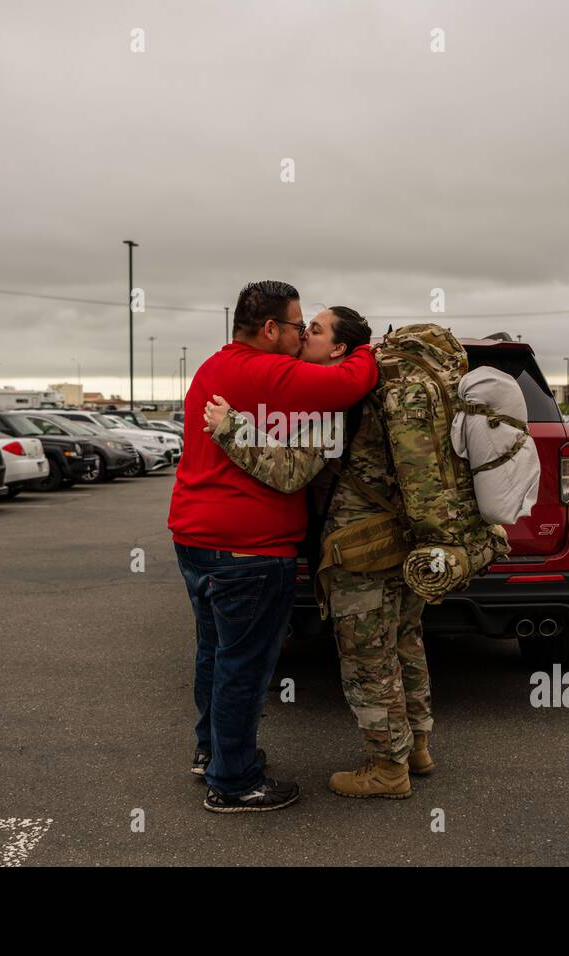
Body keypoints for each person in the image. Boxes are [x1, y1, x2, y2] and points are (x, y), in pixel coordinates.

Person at [204, 306, 432, 800]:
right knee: (405, 644)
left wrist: (229, 428)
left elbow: (289, 472)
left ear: (338, 350)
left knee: (367, 660)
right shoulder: (384, 389)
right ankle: (416, 747)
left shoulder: (332, 400)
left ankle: (387, 770)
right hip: (403, 539)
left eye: (316, 330)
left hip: (358, 548)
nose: (305, 334)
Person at [168, 281, 378, 813]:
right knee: (245, 667)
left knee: (215, 655)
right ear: (269, 329)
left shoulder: (214, 367)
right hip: (249, 550)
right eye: (296, 325)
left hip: (195, 541)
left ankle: (212, 752)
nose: (300, 333)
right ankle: (235, 782)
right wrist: (371, 350)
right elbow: (352, 381)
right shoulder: (270, 371)